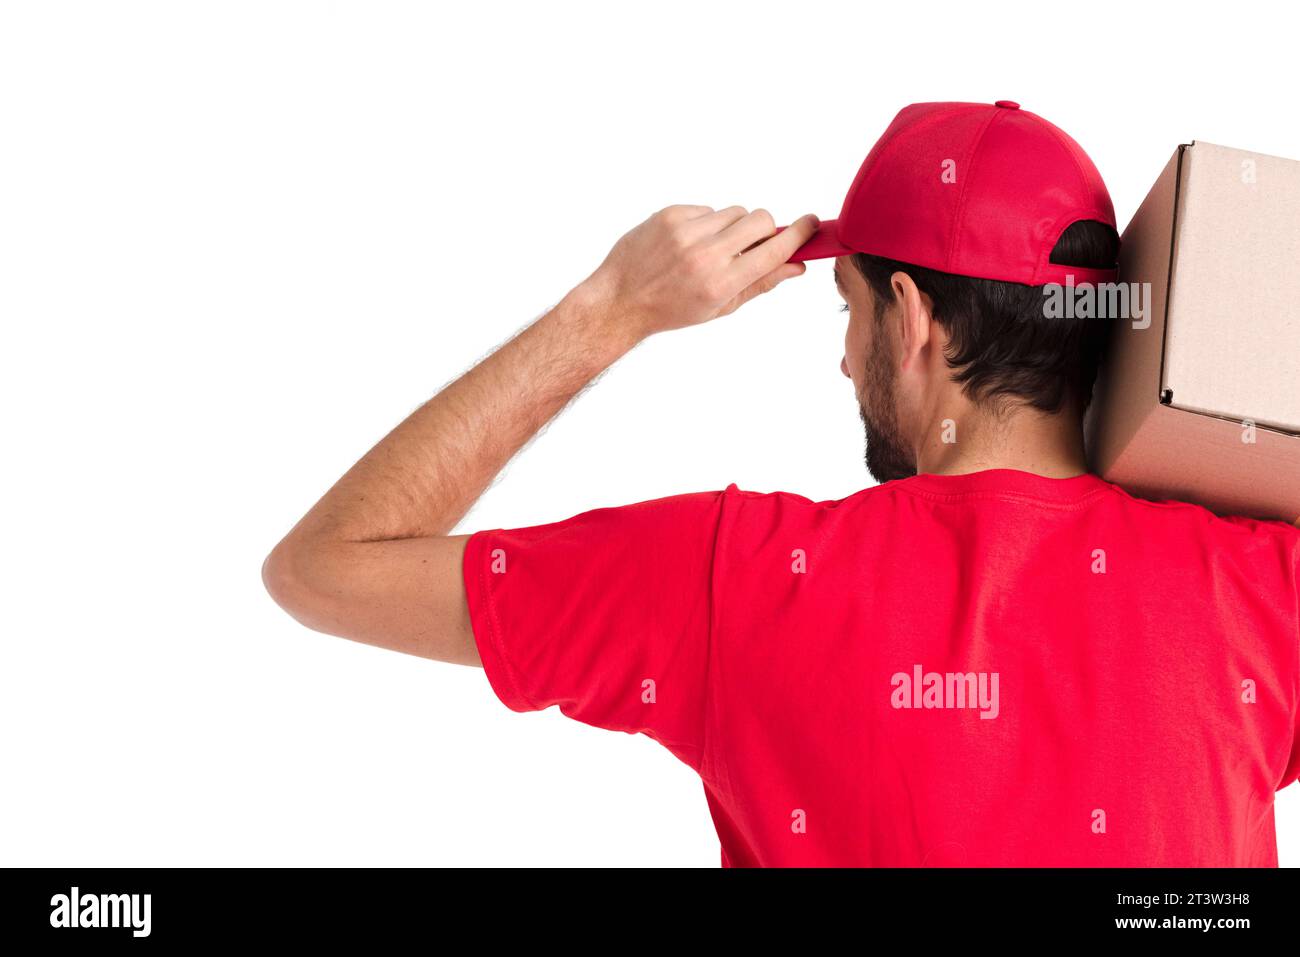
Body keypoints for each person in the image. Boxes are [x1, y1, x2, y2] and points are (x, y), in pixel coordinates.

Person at [263, 101, 1300, 866]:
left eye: (846, 313)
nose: (844, 361)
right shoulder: (1263, 589)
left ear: (913, 321)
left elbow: (323, 569)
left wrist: (610, 310)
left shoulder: (736, 577)